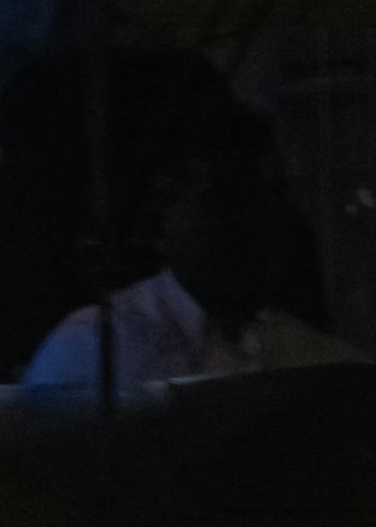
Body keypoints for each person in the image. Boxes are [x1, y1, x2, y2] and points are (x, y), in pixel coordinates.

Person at [24, 85, 350, 404]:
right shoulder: (93, 349)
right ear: (166, 214)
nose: (257, 223)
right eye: (228, 201)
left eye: (273, 199)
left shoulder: (306, 352)